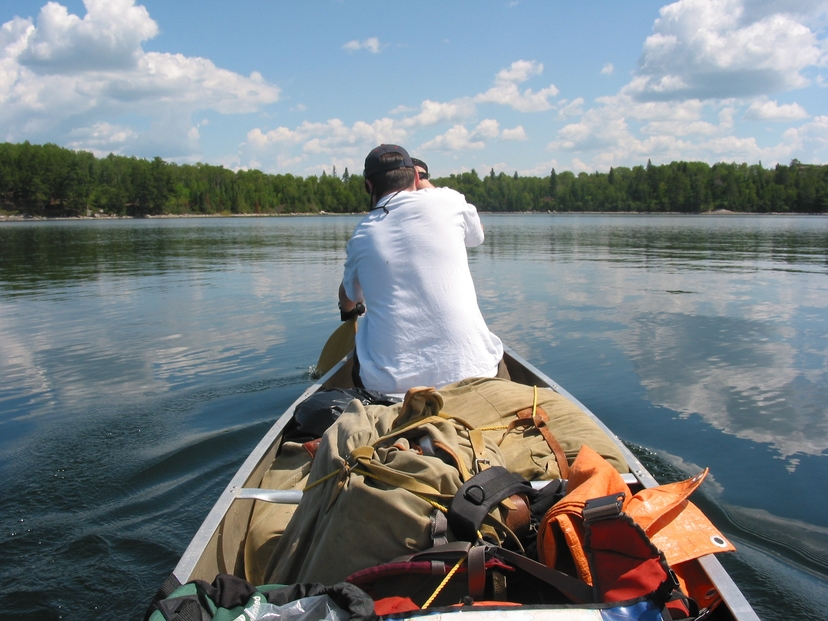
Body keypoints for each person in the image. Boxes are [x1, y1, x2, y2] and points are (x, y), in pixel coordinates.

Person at [338, 144, 503, 396]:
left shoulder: (361, 235)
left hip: (392, 388)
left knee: (364, 342)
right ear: (417, 176)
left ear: (369, 186)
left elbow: (349, 296)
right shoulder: (449, 200)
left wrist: (348, 311)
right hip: (473, 372)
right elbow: (477, 236)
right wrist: (422, 180)